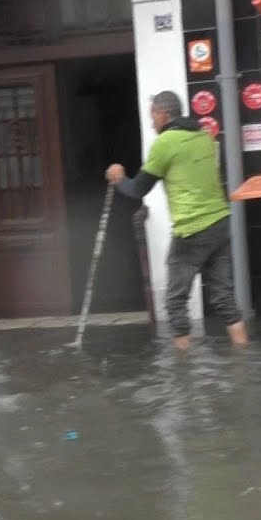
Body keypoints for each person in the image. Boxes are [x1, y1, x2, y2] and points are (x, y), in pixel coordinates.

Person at [105, 91, 248, 350]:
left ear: (163, 113)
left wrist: (119, 178)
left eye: (152, 116)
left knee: (174, 300)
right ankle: (242, 351)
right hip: (220, 222)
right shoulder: (204, 136)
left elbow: (137, 190)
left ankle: (183, 370)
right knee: (223, 295)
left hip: (192, 229)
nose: (151, 123)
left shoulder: (165, 142)